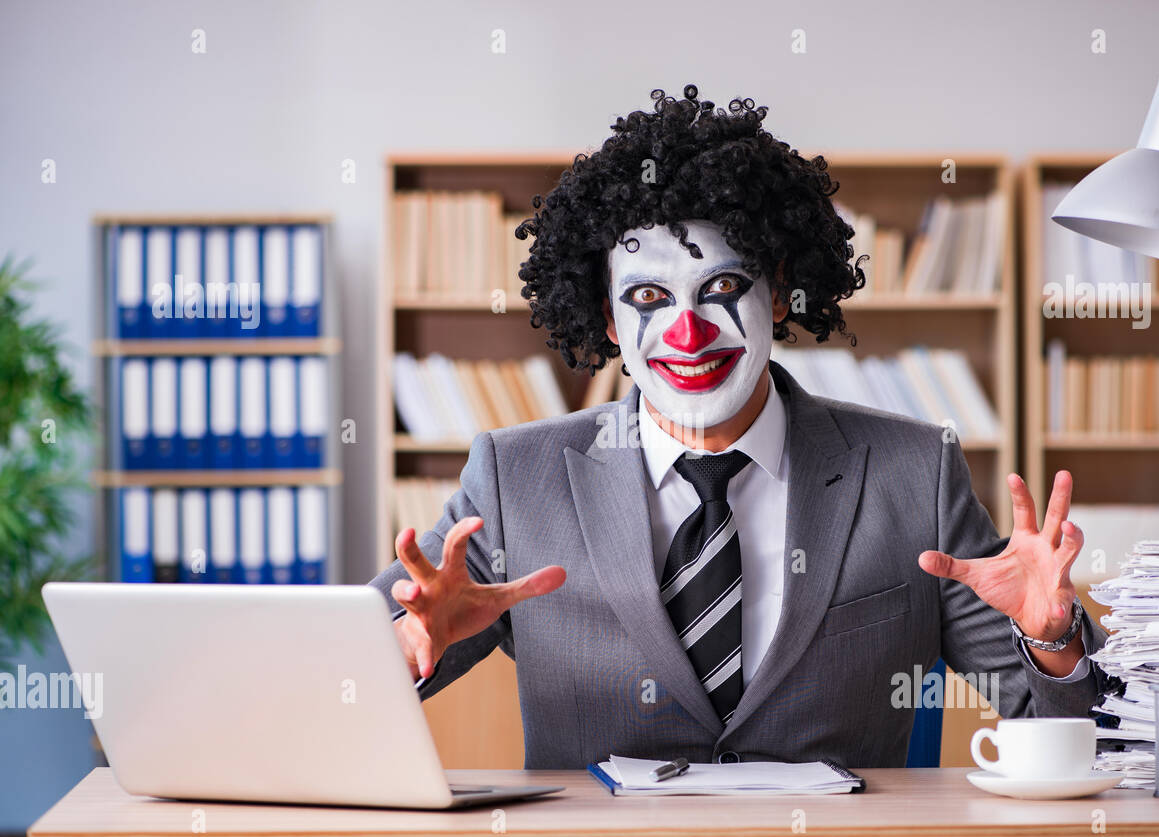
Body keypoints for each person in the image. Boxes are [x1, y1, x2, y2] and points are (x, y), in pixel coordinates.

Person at [369, 84, 1108, 769]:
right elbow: (330, 690)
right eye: (650, 296)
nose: (687, 332)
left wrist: (1053, 637)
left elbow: (1092, 733)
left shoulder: (913, 475)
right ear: (607, 318)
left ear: (780, 292)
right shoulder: (514, 481)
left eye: (722, 287)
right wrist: (404, 648)